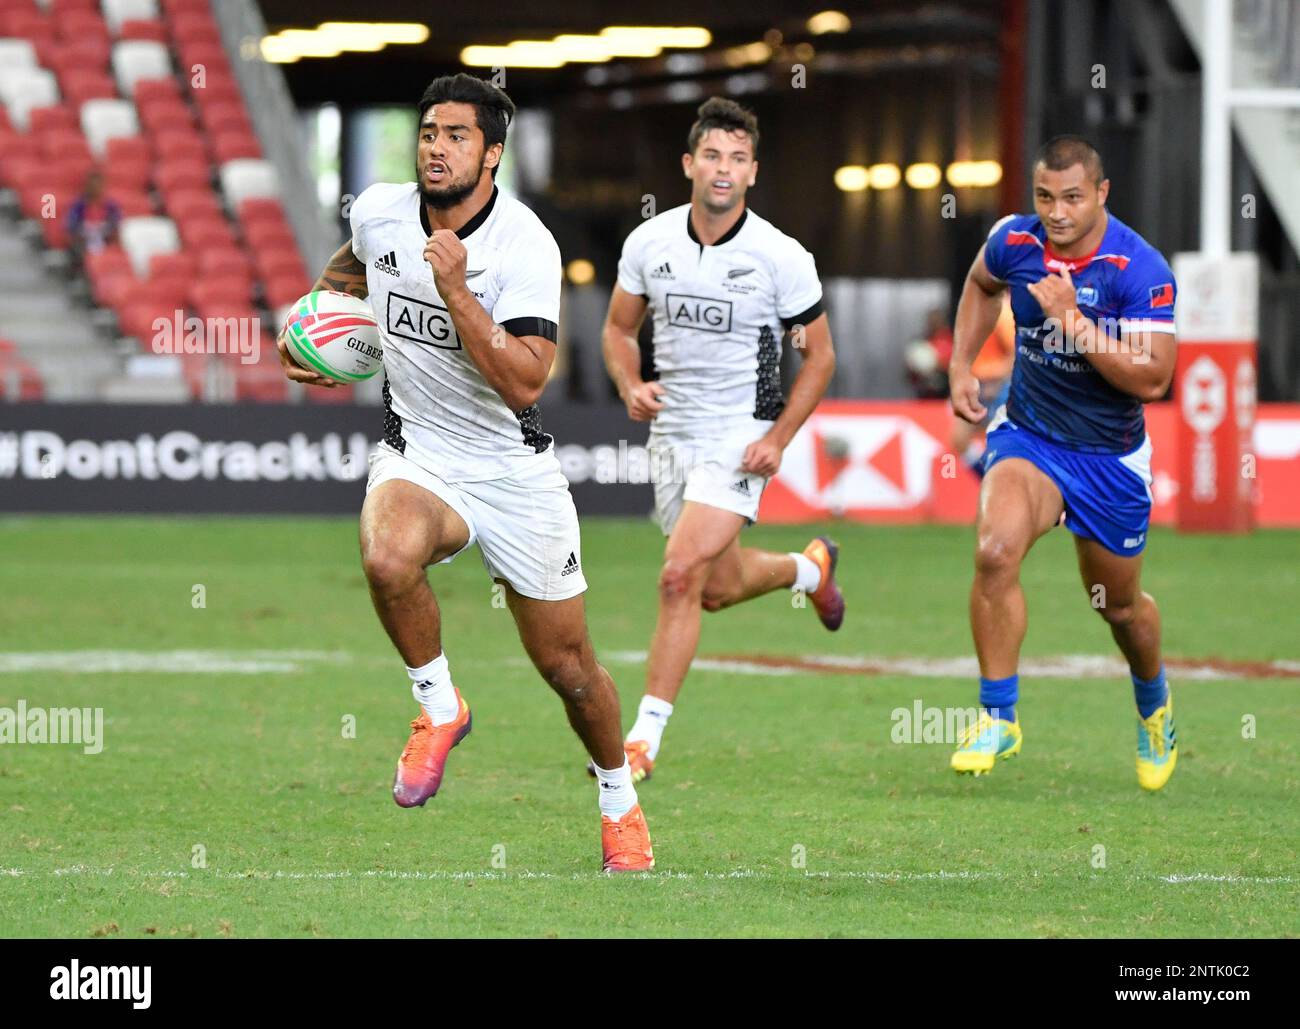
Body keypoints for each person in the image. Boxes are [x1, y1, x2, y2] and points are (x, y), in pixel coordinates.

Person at [275, 73, 653, 870]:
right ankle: (439, 707)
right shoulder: (381, 209)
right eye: (427, 132)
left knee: (571, 671)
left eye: (455, 136)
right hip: (420, 453)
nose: (435, 147)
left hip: (514, 471)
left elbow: (524, 379)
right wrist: (314, 327)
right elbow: (355, 262)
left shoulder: (525, 245)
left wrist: (454, 288)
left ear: (492, 154)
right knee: (386, 553)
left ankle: (618, 797)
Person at [599, 97, 842, 783]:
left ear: (753, 171)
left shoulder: (781, 256)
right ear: (690, 164)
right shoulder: (651, 244)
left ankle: (642, 740)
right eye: (712, 155)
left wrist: (780, 438)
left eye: (737, 158)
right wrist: (629, 382)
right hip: (673, 434)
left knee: (678, 575)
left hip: (742, 434)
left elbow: (820, 357)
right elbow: (618, 330)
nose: (723, 169)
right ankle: (809, 570)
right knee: (713, 586)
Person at [947, 135, 1179, 790]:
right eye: (1045, 196)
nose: (1056, 211)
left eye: (1072, 197)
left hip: (1109, 457)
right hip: (1031, 436)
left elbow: (1152, 377)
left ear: (1101, 194)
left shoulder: (1140, 270)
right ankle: (999, 715)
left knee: (1120, 607)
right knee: (994, 551)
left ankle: (1153, 700)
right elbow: (979, 284)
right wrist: (962, 364)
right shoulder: (1014, 242)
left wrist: (1074, 322)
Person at [949, 294, 1015, 474]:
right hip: (976, 383)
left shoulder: (1004, 312)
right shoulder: (980, 309)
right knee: (959, 440)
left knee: (1000, 442)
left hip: (995, 385)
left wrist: (998, 379)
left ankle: (999, 484)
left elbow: (1015, 352)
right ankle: (987, 478)